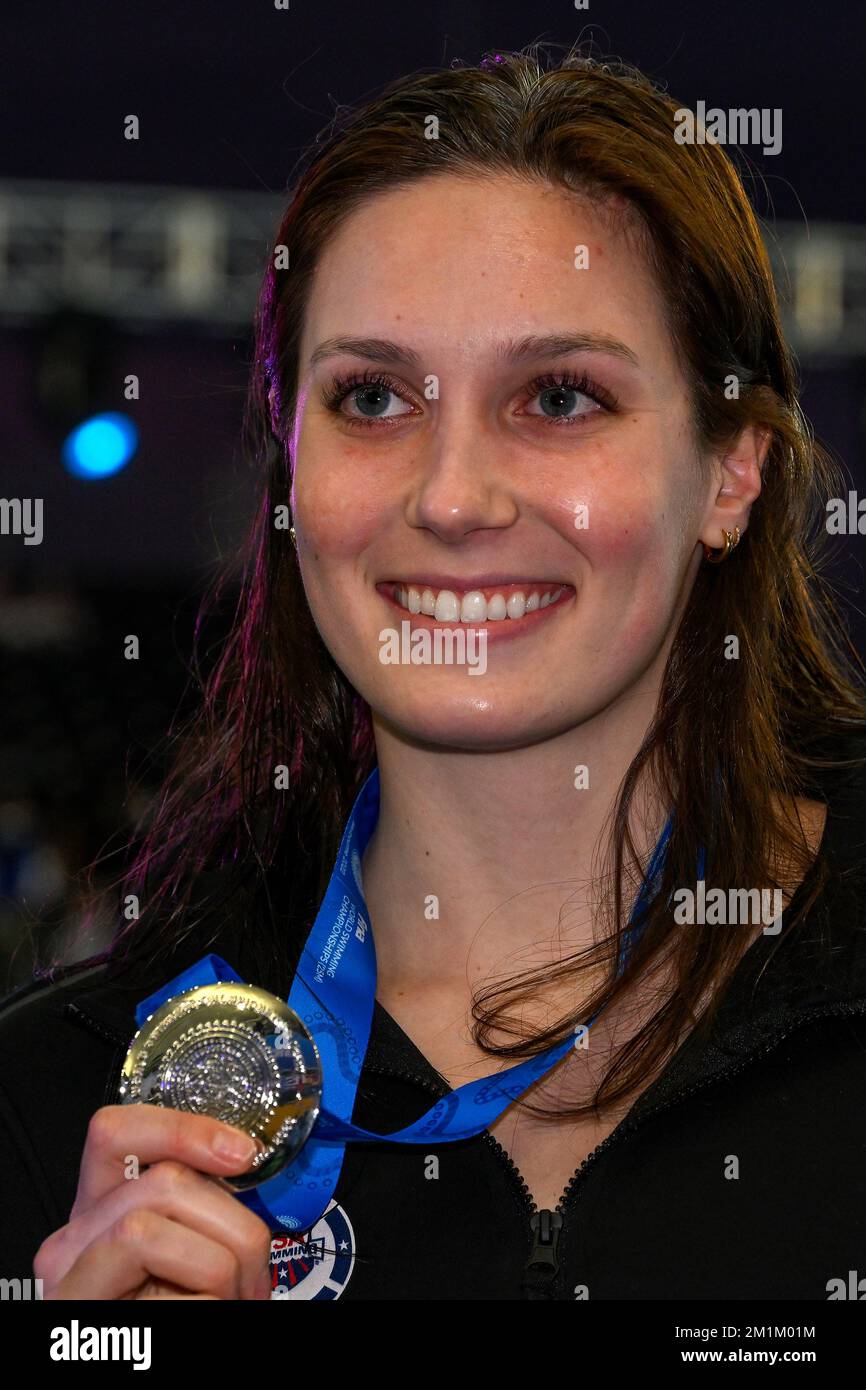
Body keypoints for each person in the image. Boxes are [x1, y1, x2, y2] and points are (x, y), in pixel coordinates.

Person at [2, 42, 866, 1302]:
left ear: (729, 469)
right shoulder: (63, 1098)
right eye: (372, 398)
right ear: (290, 461)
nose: (452, 497)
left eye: (560, 397)